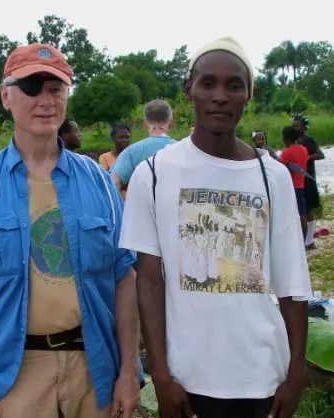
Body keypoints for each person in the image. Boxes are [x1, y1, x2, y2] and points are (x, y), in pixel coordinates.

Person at [0, 43, 140, 418]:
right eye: (32, 87)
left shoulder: (100, 182)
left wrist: (128, 371)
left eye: (56, 88)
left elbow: (124, 280)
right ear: (6, 95)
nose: (46, 99)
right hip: (17, 375)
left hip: (93, 368)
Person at [120, 37, 312, 418]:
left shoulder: (270, 175)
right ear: (189, 90)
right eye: (208, 83)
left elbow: (292, 283)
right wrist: (161, 375)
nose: (220, 96)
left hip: (262, 376)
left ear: (248, 95)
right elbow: (149, 281)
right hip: (188, 379)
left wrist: (295, 375)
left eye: (234, 85)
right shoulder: (154, 175)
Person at [110, 99, 177, 193]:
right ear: (171, 123)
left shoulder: (132, 151)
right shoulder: (183, 149)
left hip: (142, 206)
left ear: (145, 123)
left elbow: (113, 183)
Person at [292, 114, 325, 250]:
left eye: (298, 125)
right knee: (301, 209)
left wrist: (306, 157)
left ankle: (310, 240)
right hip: (298, 179)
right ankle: (303, 238)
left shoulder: (308, 140)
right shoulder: (295, 141)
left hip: (308, 177)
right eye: (294, 125)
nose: (295, 128)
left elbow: (321, 154)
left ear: (304, 127)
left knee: (309, 208)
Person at [279, 126, 309, 239]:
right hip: (301, 185)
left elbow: (280, 170)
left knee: (290, 215)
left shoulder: (286, 152)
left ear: (285, 138)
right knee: (302, 214)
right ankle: (305, 240)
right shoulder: (304, 149)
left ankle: (294, 239)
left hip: (291, 187)